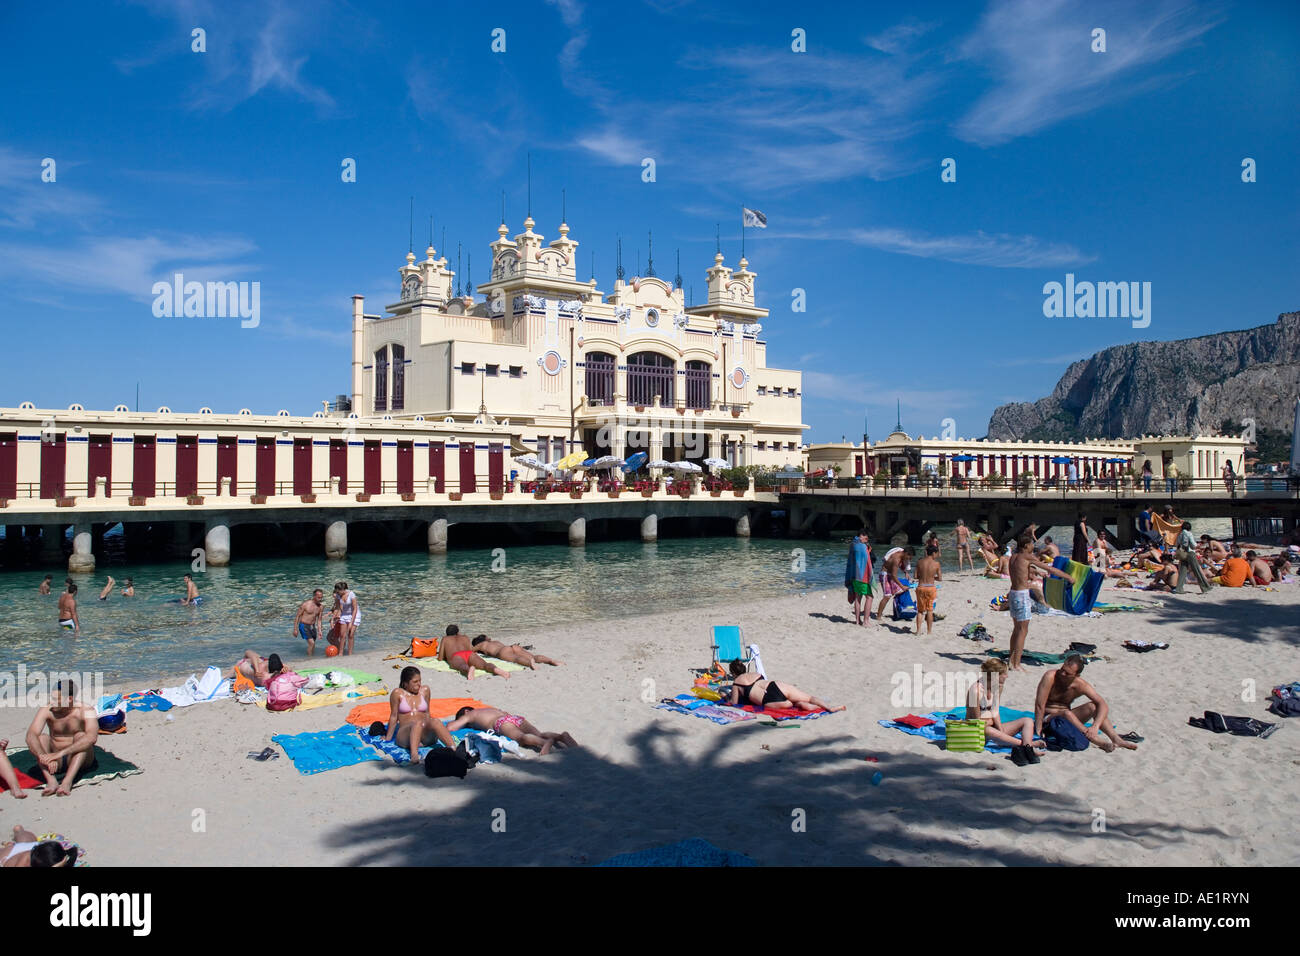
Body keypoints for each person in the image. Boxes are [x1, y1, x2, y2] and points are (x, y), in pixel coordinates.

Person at [1034, 654, 1137, 753]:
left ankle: (1116, 739)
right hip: (1048, 719)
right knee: (1067, 713)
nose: (1062, 674)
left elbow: (1102, 704)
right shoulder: (1050, 676)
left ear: (1076, 675)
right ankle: (1097, 740)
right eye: (1062, 669)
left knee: (1093, 706)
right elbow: (1039, 705)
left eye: (1067, 673)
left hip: (1067, 720)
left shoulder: (1081, 685)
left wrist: (1095, 726)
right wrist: (1038, 731)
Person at [1008, 536, 1074, 672]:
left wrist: (1036, 572)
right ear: (1026, 545)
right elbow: (1050, 569)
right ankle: (1016, 664)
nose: (1034, 546)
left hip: (1013, 593)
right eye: (1032, 544)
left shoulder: (1013, 557)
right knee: (1023, 630)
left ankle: (1011, 660)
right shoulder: (1027, 556)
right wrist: (1068, 577)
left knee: (1016, 629)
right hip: (1021, 595)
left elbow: (1021, 571)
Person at [25, 679, 99, 796]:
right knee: (42, 738)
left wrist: (59, 754)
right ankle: (51, 781)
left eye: (56, 699)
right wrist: (42, 756)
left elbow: (91, 737)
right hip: (54, 761)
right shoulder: (47, 709)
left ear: (69, 699)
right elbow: (31, 734)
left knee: (81, 736)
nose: (52, 702)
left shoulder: (87, 710)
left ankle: (67, 782)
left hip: (79, 759)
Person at [966, 659, 1044, 759]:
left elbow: (995, 711)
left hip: (990, 726)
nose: (1006, 676)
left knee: (1027, 721)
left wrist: (1000, 729)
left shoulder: (998, 686)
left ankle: (1027, 746)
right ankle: (1028, 746)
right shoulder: (975, 691)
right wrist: (992, 722)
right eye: (1004, 674)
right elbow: (976, 722)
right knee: (989, 730)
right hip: (976, 731)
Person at [384, 667, 456, 764]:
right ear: (405, 683)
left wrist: (430, 726)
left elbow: (427, 713)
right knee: (416, 723)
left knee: (435, 721)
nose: (419, 684)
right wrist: (388, 738)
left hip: (424, 736)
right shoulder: (397, 693)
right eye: (415, 682)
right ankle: (414, 756)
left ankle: (453, 748)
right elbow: (393, 716)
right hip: (406, 735)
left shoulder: (425, 690)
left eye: (420, 680)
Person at [447, 706, 577, 755]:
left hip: (501, 723)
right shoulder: (489, 709)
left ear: (466, 711)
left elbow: (451, 727)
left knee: (521, 738)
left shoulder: (470, 714)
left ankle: (544, 743)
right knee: (538, 734)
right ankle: (561, 737)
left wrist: (460, 722)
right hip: (512, 717)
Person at [726, 661, 845, 713]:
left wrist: (725, 699)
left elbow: (734, 703)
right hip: (775, 685)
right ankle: (830, 708)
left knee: (791, 704)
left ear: (733, 673)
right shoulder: (756, 674)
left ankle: (797, 704)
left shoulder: (736, 683)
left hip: (768, 700)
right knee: (808, 697)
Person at [438, 625, 509, 680]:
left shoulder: (445, 639)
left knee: (462, 665)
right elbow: (471, 650)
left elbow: (440, 658)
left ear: (447, 634)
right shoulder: (465, 637)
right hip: (469, 653)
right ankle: (496, 669)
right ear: (458, 632)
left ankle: (469, 669)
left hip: (456, 656)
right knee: (484, 665)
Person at [1, 826, 79, 867]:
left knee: (26, 840)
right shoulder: (24, 862)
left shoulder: (43, 857)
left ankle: (19, 831)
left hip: (35, 848)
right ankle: (18, 831)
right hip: (9, 855)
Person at [471, 635, 562, 668]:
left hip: (502, 651)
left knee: (516, 659)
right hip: (512, 647)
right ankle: (550, 660)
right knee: (534, 657)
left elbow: (470, 650)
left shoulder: (481, 645)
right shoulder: (495, 642)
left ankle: (530, 664)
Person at [874, 546, 914, 622]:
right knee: (887, 596)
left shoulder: (901, 555)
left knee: (900, 591)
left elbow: (901, 566)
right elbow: (894, 575)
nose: (909, 559)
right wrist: (901, 586)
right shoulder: (896, 559)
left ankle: (898, 613)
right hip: (885, 575)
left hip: (889, 575)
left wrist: (906, 572)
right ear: (906, 553)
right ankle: (878, 616)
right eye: (909, 557)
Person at [844, 528, 875, 626]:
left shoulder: (853, 544)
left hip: (854, 576)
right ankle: (866, 621)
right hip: (863, 577)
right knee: (869, 597)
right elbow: (867, 561)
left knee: (858, 598)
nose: (867, 539)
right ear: (861, 535)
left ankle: (857, 621)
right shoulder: (861, 546)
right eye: (866, 537)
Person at [1173, 521, 1212, 594]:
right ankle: (1205, 587)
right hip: (1190, 553)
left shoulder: (1180, 534)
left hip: (1182, 554)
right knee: (1197, 570)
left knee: (1182, 572)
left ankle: (1179, 588)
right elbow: (1193, 545)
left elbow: (1177, 544)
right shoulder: (1189, 534)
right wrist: (1199, 546)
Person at [914, 543, 941, 635]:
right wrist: (933, 577)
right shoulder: (936, 563)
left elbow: (915, 576)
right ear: (933, 553)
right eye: (937, 553)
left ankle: (918, 631)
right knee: (929, 610)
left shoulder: (919, 562)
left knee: (920, 610)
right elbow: (940, 578)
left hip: (921, 587)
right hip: (930, 588)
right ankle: (929, 631)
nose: (937, 555)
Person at [293, 589, 326, 656]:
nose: (320, 599)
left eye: (321, 597)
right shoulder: (305, 604)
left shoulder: (321, 607)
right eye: (318, 597)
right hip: (304, 625)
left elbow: (319, 620)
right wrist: (295, 629)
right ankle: (309, 659)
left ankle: (312, 657)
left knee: (313, 643)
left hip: (312, 626)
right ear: (314, 596)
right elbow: (297, 616)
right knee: (311, 643)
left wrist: (320, 631)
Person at [335, 581, 359, 655]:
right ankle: (340, 653)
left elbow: (355, 609)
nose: (337, 592)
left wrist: (351, 622)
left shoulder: (351, 594)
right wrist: (337, 616)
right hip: (344, 615)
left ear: (342, 589)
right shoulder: (338, 595)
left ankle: (350, 653)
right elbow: (339, 607)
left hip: (354, 614)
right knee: (342, 635)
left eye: (338, 591)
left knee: (351, 634)